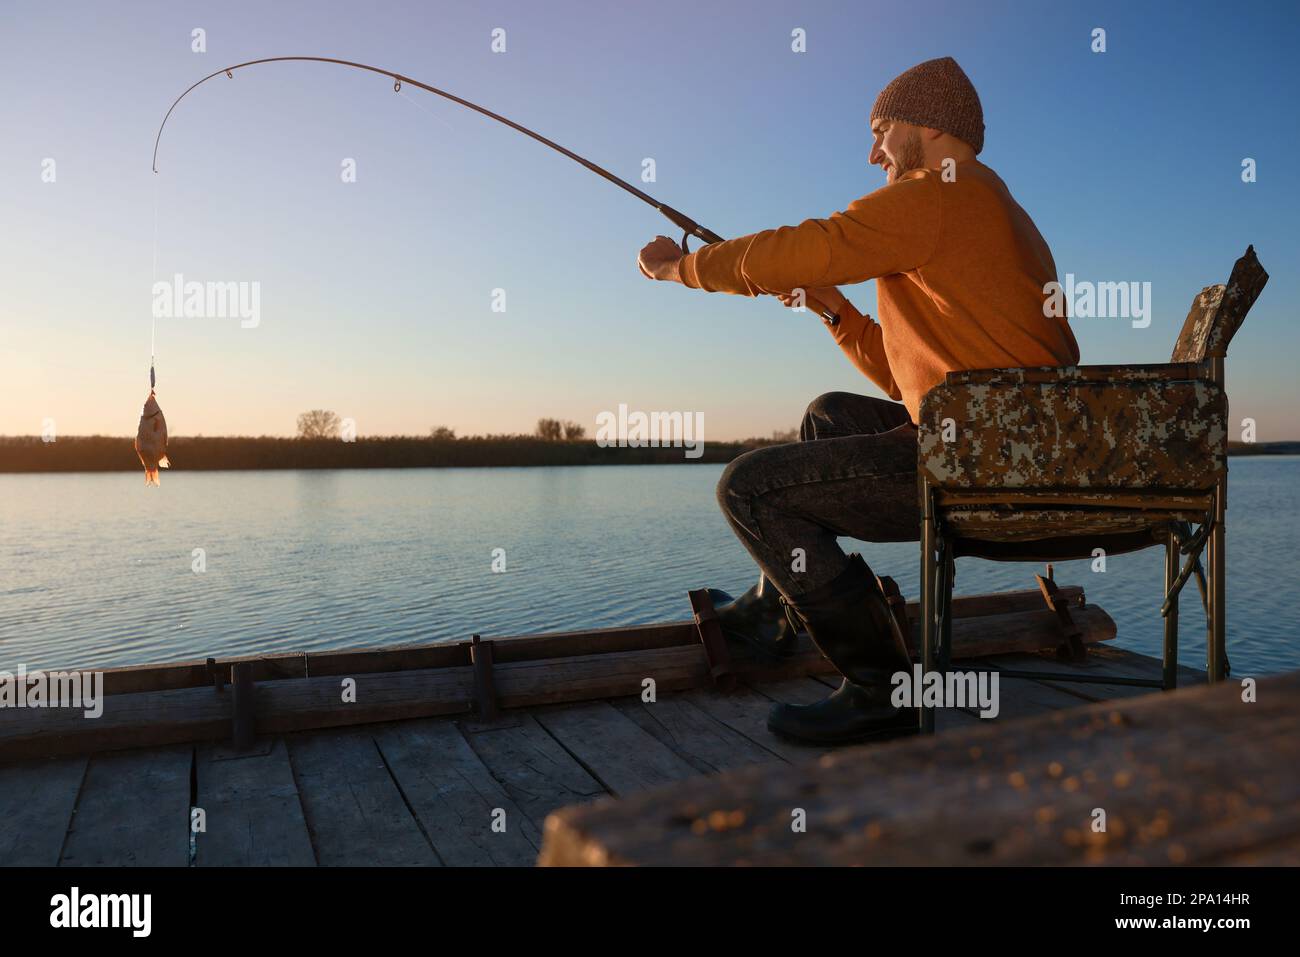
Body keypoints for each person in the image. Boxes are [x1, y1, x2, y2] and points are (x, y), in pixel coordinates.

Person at [637, 56, 1081, 744]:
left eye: (882, 130)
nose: (873, 152)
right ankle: (776, 611)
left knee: (749, 489)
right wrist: (835, 310)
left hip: (988, 462)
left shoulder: (937, 193)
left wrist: (681, 268)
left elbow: (814, 243)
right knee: (829, 413)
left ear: (929, 126)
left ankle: (885, 691)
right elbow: (919, 379)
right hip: (1011, 438)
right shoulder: (994, 206)